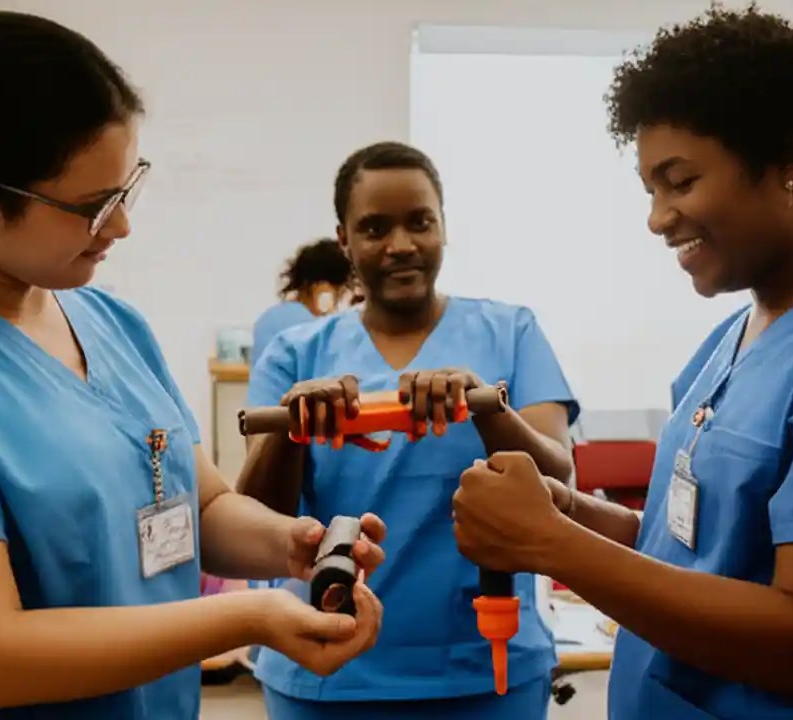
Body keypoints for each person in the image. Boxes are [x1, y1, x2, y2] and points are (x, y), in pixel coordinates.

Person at [0, 12, 384, 719]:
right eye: (94, 207)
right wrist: (252, 618)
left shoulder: (109, 322)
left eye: (127, 189)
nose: (121, 227)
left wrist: (292, 546)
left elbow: (198, 506)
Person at [450, 7, 793, 719]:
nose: (657, 217)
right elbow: (691, 548)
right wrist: (568, 513)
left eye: (679, 181)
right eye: (650, 190)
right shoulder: (736, 335)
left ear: (789, 156)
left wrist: (552, 546)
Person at [240, 140, 580, 719]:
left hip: (487, 668)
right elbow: (255, 523)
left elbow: (558, 480)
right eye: (374, 228)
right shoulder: (294, 356)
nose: (401, 245)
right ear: (344, 239)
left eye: (420, 222)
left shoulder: (512, 333)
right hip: (326, 669)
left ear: (444, 225)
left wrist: (485, 405)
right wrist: (292, 427)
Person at [251, 238, 353, 366]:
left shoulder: (269, 317)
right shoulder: (314, 328)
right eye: (341, 292)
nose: (341, 298)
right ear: (323, 288)